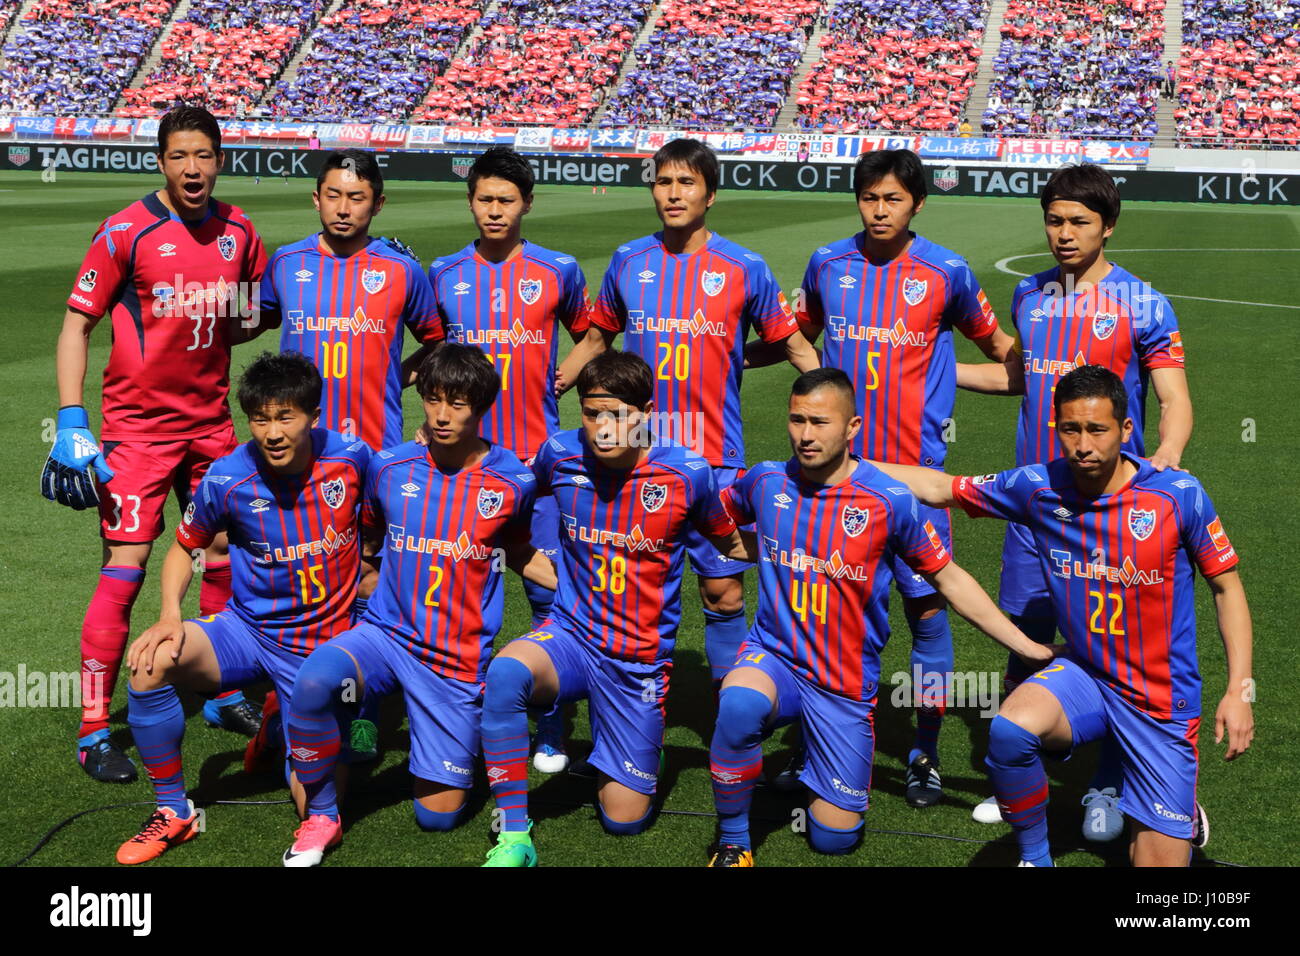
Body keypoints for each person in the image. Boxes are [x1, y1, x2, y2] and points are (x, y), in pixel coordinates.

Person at [873, 364, 1253, 866]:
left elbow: (1227, 589)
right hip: (1087, 676)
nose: (1083, 445)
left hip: (1161, 700)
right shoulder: (1038, 487)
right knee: (1009, 731)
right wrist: (850, 466)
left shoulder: (1177, 496)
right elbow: (941, 487)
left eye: (1097, 430)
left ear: (1125, 429)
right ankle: (1036, 857)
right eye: (1070, 429)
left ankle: (1170, 809)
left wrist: (1239, 689)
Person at [705, 369, 1052, 866]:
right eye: (797, 420)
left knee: (833, 839)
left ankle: (816, 751)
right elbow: (719, 515)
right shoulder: (764, 480)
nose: (805, 435)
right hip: (773, 656)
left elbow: (949, 579)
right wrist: (749, 548)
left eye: (820, 422)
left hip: (842, 682)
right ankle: (734, 842)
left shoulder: (888, 501)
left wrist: (1026, 648)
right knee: (737, 705)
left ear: (852, 427)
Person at [957, 163, 1193, 838]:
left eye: (1079, 222)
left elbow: (1174, 399)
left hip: (1112, 512)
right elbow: (1018, 379)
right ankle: (1015, 782)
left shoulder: (1143, 303)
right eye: (1055, 220)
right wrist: (930, 368)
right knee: (1025, 634)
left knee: (1120, 651)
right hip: (1038, 504)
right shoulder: (1029, 294)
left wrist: (1165, 465)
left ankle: (1111, 779)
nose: (1064, 234)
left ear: (1108, 226)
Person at [788, 149, 1017, 807]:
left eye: (892, 199)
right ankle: (815, 744)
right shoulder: (828, 264)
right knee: (826, 619)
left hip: (918, 482)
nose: (879, 210)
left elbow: (1001, 354)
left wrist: (954, 374)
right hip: (838, 479)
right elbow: (794, 335)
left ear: (918, 203)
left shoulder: (945, 273)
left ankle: (923, 752)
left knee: (926, 617)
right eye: (868, 198)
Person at [46, 105, 268, 783]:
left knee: (227, 549)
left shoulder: (240, 232)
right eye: (179, 157)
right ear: (161, 162)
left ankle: (222, 690)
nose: (192, 169)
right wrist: (71, 420)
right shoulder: (124, 231)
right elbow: (76, 327)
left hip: (211, 425)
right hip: (137, 431)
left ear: (220, 159)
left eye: (204, 155)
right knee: (127, 566)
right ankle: (93, 729)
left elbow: (247, 318)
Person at [282, 344, 557, 866]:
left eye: (457, 404)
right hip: (385, 637)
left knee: (438, 816)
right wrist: (365, 577)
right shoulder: (387, 467)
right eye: (432, 400)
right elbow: (365, 535)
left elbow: (519, 551)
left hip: (454, 661)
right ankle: (321, 814)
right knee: (316, 681)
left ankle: (459, 740)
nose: (442, 415)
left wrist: (581, 592)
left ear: (481, 407)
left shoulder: (514, 480)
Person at [479, 351, 747, 867]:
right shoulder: (557, 454)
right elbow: (507, 511)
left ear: (646, 411)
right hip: (572, 637)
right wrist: (555, 581)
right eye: (591, 413)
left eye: (618, 415)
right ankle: (514, 836)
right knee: (507, 674)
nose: (603, 429)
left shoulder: (687, 473)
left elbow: (730, 544)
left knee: (623, 821)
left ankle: (635, 750)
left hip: (637, 660)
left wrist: (802, 549)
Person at [114, 353, 370, 863]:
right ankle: (174, 812)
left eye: (285, 417)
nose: (272, 432)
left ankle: (284, 723)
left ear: (313, 416)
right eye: (260, 419)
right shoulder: (225, 479)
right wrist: (169, 614)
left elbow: (395, 518)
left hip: (324, 650)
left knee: (316, 807)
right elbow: (184, 547)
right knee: (148, 664)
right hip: (248, 631)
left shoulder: (353, 459)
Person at [586, 138, 819, 689]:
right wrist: (556, 384)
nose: (673, 193)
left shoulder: (744, 266)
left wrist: (828, 401)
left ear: (710, 194)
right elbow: (597, 339)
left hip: (716, 460)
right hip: (637, 460)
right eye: (663, 182)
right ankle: (633, 700)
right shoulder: (627, 260)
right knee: (632, 592)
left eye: (686, 182)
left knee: (723, 589)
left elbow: (791, 346)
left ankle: (727, 710)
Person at [256, 148, 446, 760]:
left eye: (357, 197)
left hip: (375, 456)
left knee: (371, 579)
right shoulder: (286, 264)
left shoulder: (401, 271)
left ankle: (363, 710)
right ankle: (282, 712)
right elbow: (251, 327)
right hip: (297, 458)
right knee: (300, 580)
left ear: (379, 204)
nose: (344, 207)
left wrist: (403, 381)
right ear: (316, 199)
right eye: (333, 195)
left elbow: (438, 341)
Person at [427, 147, 604, 772]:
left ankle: (553, 723)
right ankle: (467, 718)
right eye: (483, 199)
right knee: (465, 597)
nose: (494, 210)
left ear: (526, 203)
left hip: (538, 464)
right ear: (470, 201)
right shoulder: (444, 272)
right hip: (464, 469)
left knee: (547, 594)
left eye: (506, 200)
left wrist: (567, 374)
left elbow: (592, 332)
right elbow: (429, 352)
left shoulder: (558, 269)